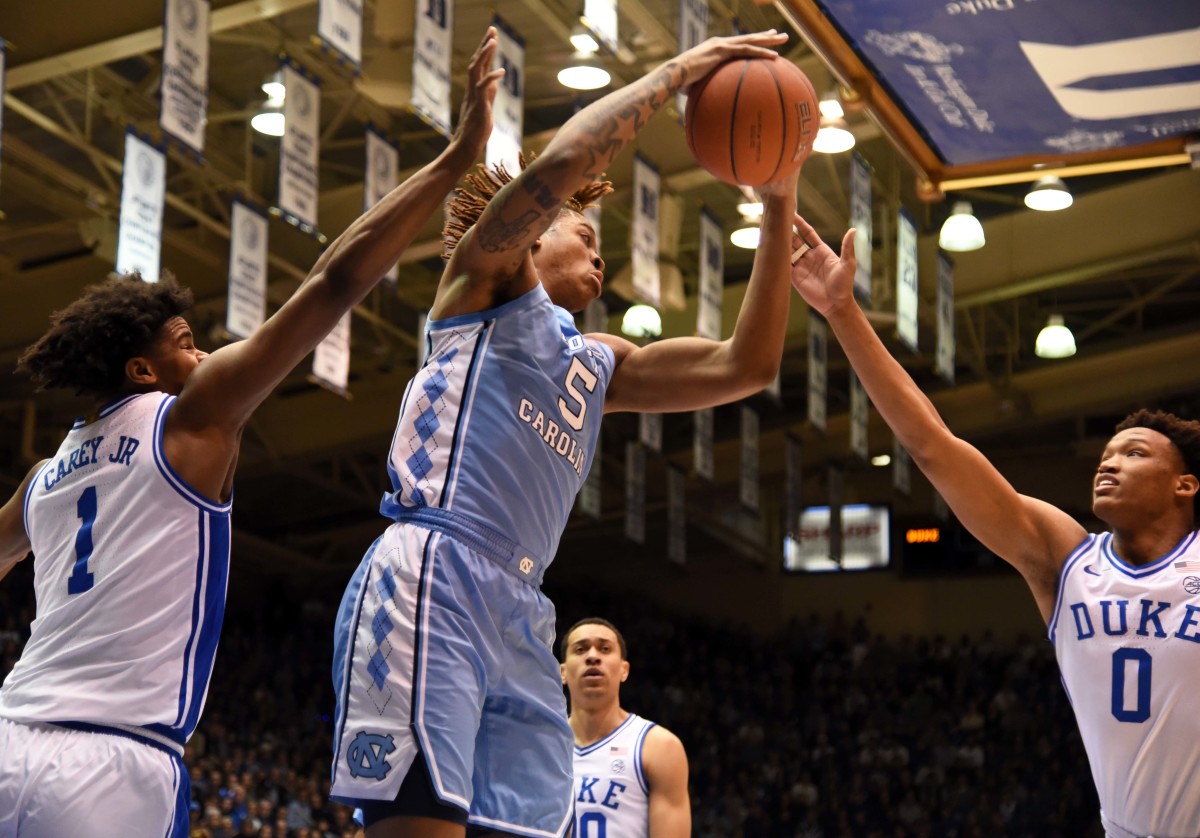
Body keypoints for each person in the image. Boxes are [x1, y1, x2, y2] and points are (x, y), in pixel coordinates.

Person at [0, 29, 504, 837]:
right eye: (186, 343)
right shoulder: (187, 414)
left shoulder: (49, 473)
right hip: (112, 765)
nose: (205, 352)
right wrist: (454, 160)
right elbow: (333, 280)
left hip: (11, 732)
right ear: (142, 371)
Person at [329, 29, 808, 838]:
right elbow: (560, 172)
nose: (599, 254)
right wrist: (680, 72)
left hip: (520, 606)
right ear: (529, 231)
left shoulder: (598, 362)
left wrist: (779, 195)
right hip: (434, 570)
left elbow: (747, 365)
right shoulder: (479, 290)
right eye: (584, 234)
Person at [786, 218, 1200, 837]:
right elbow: (932, 445)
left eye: (1136, 453)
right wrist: (843, 312)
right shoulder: (1065, 559)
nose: (1110, 461)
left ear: (1186, 484)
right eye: (1106, 452)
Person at [560, 618, 689, 838]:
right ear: (562, 672)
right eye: (580, 649)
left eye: (605, 649)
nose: (592, 656)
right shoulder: (542, 745)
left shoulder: (658, 747)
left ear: (623, 670)